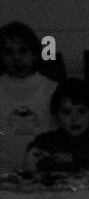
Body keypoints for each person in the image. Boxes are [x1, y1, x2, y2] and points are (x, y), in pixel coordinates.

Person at [0, 20, 58, 171]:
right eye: (8, 52)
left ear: (34, 54)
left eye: (23, 51)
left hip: (43, 177)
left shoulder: (52, 90)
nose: (17, 58)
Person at [25, 78, 89, 172]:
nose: (74, 118)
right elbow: (33, 156)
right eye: (66, 112)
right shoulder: (46, 141)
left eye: (81, 111)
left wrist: (74, 159)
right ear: (56, 117)